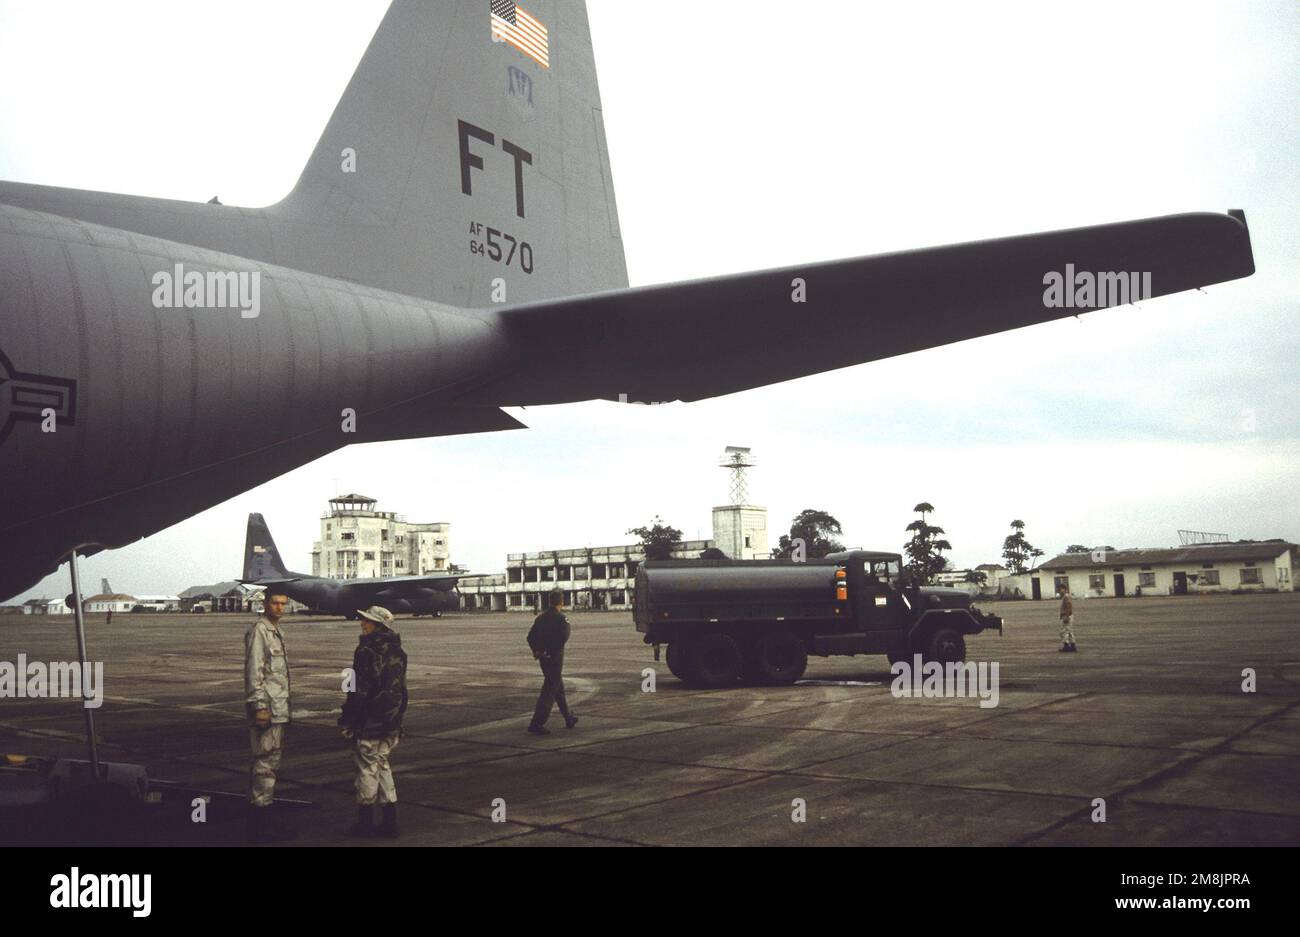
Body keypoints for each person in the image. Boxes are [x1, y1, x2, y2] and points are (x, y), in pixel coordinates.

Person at [340, 605, 408, 838]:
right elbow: (402, 690)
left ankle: (365, 822)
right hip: (390, 721)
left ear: (378, 625)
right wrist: (398, 717)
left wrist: (347, 719)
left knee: (367, 770)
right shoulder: (398, 651)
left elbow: (357, 690)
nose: (362, 623)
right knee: (383, 766)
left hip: (370, 722)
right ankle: (391, 822)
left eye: (367, 621)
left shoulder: (366, 651)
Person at [244, 591, 295, 842]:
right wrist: (260, 706)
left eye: (283, 604)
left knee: (270, 765)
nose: (280, 608)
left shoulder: (277, 631)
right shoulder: (260, 632)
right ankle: (260, 824)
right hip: (268, 711)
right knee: (264, 765)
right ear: (265, 604)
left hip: (279, 710)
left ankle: (263, 819)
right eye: (275, 603)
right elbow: (255, 672)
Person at [526, 590, 577, 735]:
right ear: (561, 602)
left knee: (558, 688)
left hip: (543, 659)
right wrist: (549, 650)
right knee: (549, 691)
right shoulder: (561, 619)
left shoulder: (541, 618)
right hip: (554, 659)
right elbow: (563, 637)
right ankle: (537, 723)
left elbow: (530, 637)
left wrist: (537, 651)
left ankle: (568, 718)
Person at [1058, 586, 1076, 652]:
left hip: (1066, 616)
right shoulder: (1066, 596)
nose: (1060, 591)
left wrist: (1067, 616)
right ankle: (1073, 645)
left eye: (1061, 590)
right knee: (1070, 631)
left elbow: (1069, 606)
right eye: (1059, 590)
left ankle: (1066, 646)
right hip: (1067, 615)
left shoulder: (1066, 597)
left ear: (1065, 589)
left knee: (1064, 632)